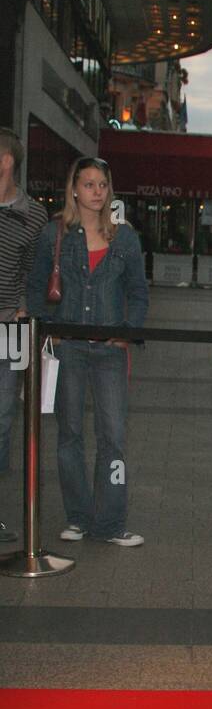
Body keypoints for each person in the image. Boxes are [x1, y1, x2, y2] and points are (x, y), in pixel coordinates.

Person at [27, 156, 149, 545]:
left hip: (110, 350)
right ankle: (78, 517)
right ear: (74, 189)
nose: (97, 191)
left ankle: (111, 522)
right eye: (89, 184)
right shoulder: (55, 234)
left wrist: (128, 332)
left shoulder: (125, 238)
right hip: (69, 351)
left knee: (113, 437)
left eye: (102, 184)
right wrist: (48, 329)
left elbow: (138, 292)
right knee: (70, 435)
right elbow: (34, 288)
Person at [0, 128, 47, 543]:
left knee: (2, 420)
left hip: (8, 328)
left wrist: (22, 308)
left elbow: (34, 269)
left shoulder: (32, 215)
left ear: (7, 161)